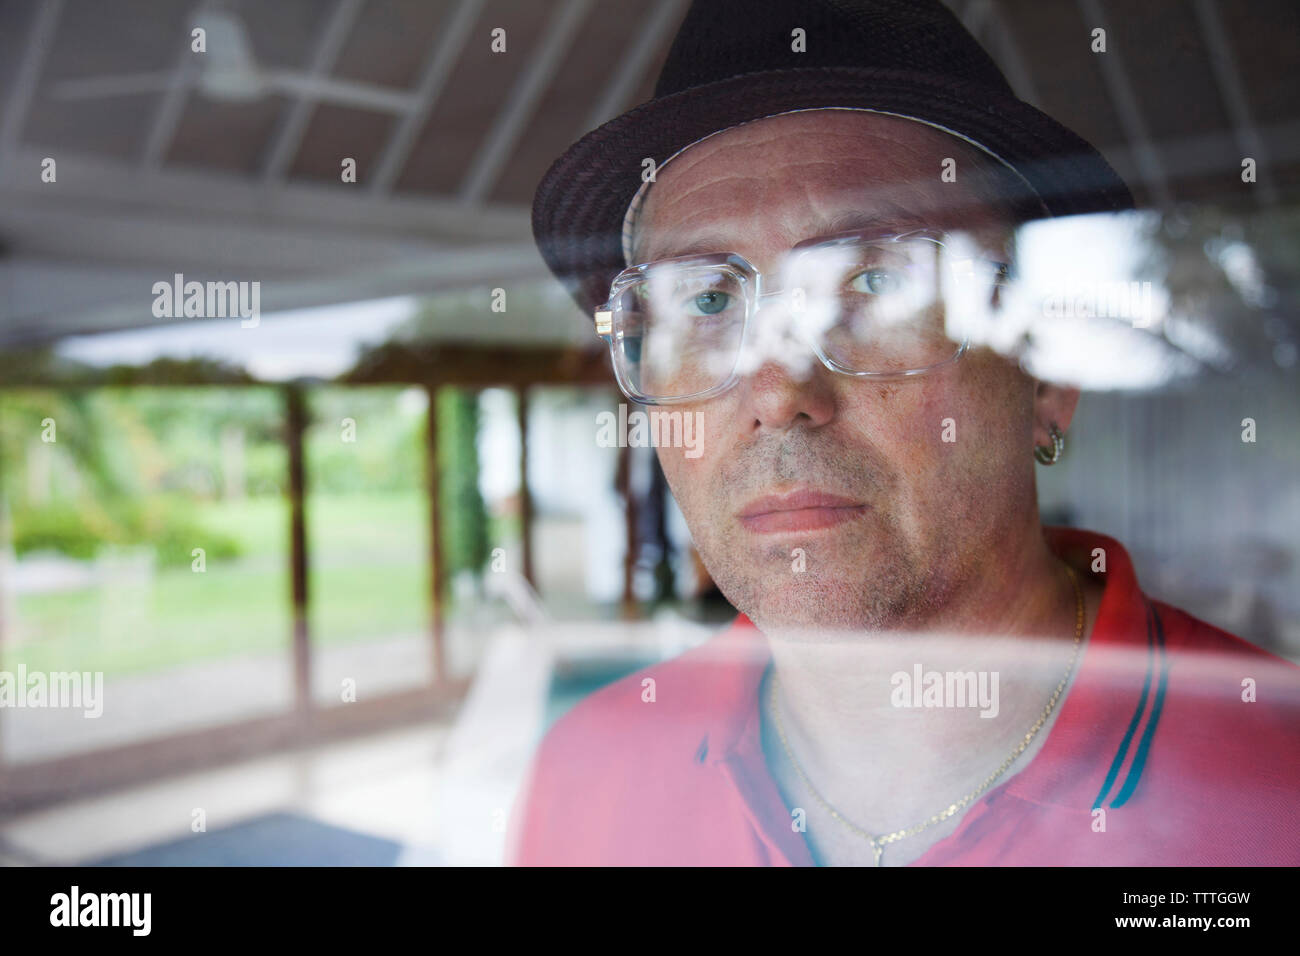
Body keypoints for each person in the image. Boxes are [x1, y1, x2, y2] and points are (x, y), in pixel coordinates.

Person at [509, 0, 1300, 866]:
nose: (779, 392)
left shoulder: (1275, 788)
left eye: (878, 285)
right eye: (706, 301)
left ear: (1047, 370)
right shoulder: (588, 771)